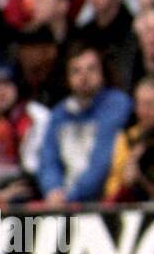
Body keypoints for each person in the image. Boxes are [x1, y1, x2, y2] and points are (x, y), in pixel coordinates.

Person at [37, 44, 133, 204]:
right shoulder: (59, 113)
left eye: (91, 69)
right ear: (67, 77)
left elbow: (102, 162)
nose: (84, 76)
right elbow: (48, 159)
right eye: (76, 71)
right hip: (64, 200)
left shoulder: (116, 104)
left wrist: (69, 199)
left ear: (103, 72)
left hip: (105, 200)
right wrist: (53, 189)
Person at [0, 62, 50, 203]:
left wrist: (8, 192)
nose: (1, 92)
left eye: (6, 85)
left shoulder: (37, 117)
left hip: (29, 195)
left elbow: (34, 169)